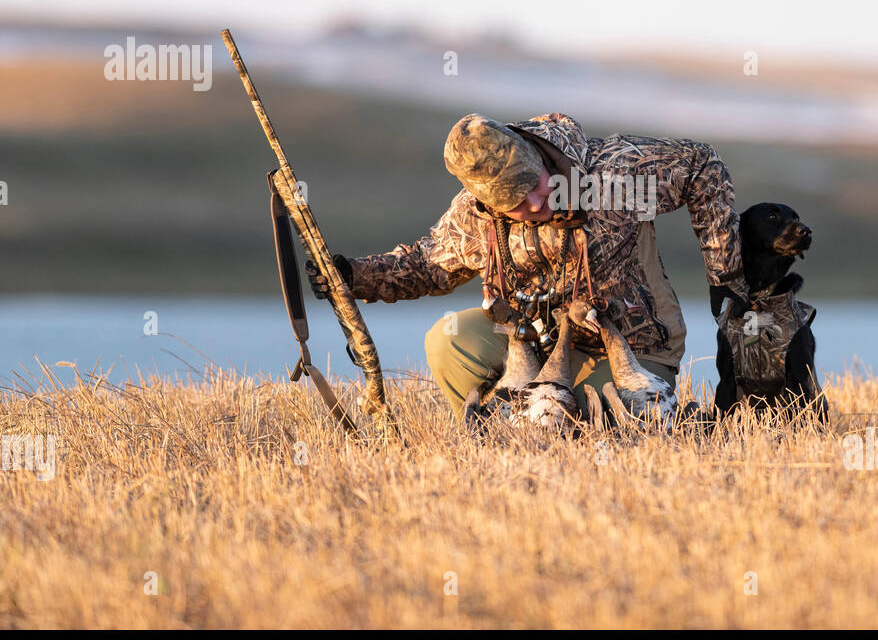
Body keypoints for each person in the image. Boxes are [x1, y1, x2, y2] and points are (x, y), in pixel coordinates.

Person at [307, 111, 748, 418]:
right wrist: (352, 276)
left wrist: (723, 273)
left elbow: (702, 166)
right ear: (491, 204)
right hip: (532, 346)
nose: (540, 201)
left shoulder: (616, 173)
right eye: (520, 203)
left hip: (630, 345)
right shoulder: (475, 214)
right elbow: (426, 266)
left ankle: (545, 417)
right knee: (447, 341)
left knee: (605, 417)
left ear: (537, 156)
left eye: (538, 185)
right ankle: (509, 428)